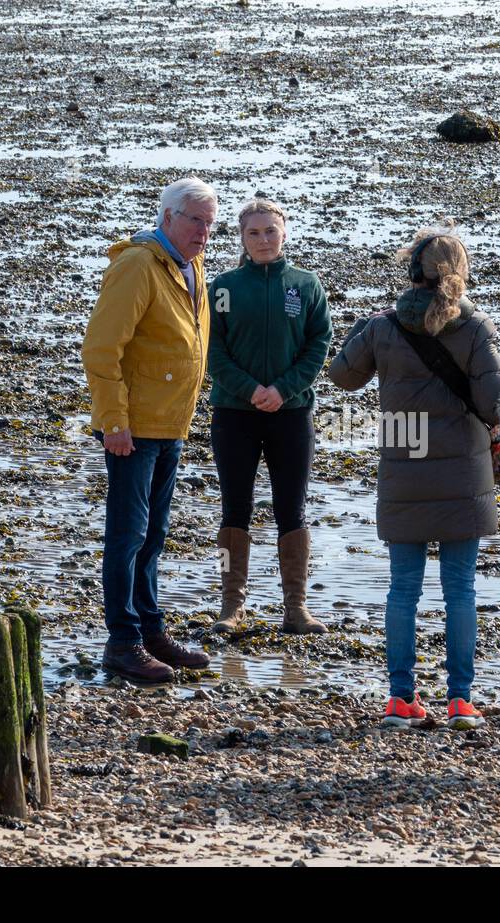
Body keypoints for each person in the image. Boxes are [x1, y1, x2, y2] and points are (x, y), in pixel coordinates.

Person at [329, 226, 500, 730]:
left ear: (413, 273)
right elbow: (496, 404)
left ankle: (400, 699)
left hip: (403, 469)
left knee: (402, 589)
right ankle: (460, 700)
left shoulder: (383, 327)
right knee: (461, 590)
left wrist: (365, 328)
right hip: (463, 474)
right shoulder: (476, 329)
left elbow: (342, 375)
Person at [80, 176, 218, 684]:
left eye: (210, 223)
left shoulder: (189, 265)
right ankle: (123, 642)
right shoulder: (138, 265)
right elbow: (100, 349)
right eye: (195, 221)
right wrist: (114, 421)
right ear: (167, 217)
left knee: (153, 534)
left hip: (170, 424)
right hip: (132, 428)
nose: (204, 231)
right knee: (128, 535)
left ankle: (152, 630)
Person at [206, 198, 332, 635]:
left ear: (284, 233)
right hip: (233, 413)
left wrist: (282, 389)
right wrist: (250, 390)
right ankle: (230, 605)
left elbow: (319, 345)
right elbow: (211, 350)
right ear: (241, 238)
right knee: (232, 511)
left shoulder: (306, 284)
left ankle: (296, 607)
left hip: (291, 414)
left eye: (270, 231)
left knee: (291, 511)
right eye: (253, 233)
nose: (263, 239)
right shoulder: (222, 287)